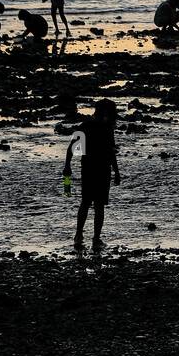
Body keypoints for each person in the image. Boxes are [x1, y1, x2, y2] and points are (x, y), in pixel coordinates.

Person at [64, 99, 121, 249]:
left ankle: (79, 235)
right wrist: (116, 172)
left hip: (88, 169)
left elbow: (71, 148)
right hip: (102, 170)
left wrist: (67, 166)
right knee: (99, 205)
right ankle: (95, 240)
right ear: (108, 112)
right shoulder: (107, 128)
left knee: (86, 202)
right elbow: (111, 152)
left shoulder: (85, 126)